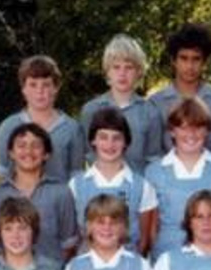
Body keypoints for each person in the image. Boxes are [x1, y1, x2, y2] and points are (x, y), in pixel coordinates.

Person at [143, 97, 211, 258]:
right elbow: (151, 227)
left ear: (207, 130)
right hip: (167, 257)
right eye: (183, 128)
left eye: (198, 128)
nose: (191, 134)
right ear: (172, 130)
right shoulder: (154, 172)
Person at [68, 107, 159, 254]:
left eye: (116, 138)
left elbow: (144, 240)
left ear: (126, 142)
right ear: (93, 140)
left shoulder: (142, 186)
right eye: (103, 137)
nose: (110, 145)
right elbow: (73, 236)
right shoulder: (75, 185)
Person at [0, 122, 79, 263]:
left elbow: (69, 244)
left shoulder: (61, 193)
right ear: (11, 153)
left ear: (46, 154)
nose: (28, 151)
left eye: (36, 146)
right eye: (21, 146)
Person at [0, 55, 85, 183]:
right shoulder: (8, 126)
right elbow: (1, 174)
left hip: (60, 201)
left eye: (46, 84)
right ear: (23, 89)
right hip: (19, 201)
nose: (40, 91)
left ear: (56, 88)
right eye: (33, 85)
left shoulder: (72, 128)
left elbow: (77, 176)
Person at [79, 34, 165, 172]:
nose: (122, 73)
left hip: (138, 187)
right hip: (102, 188)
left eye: (129, 67)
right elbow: (88, 153)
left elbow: (153, 157)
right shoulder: (91, 110)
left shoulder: (150, 112)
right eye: (116, 67)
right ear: (107, 71)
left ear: (139, 72)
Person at [149, 22, 211, 158]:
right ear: (173, 60)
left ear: (204, 62)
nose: (190, 66)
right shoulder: (156, 103)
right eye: (184, 58)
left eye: (196, 59)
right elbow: (153, 151)